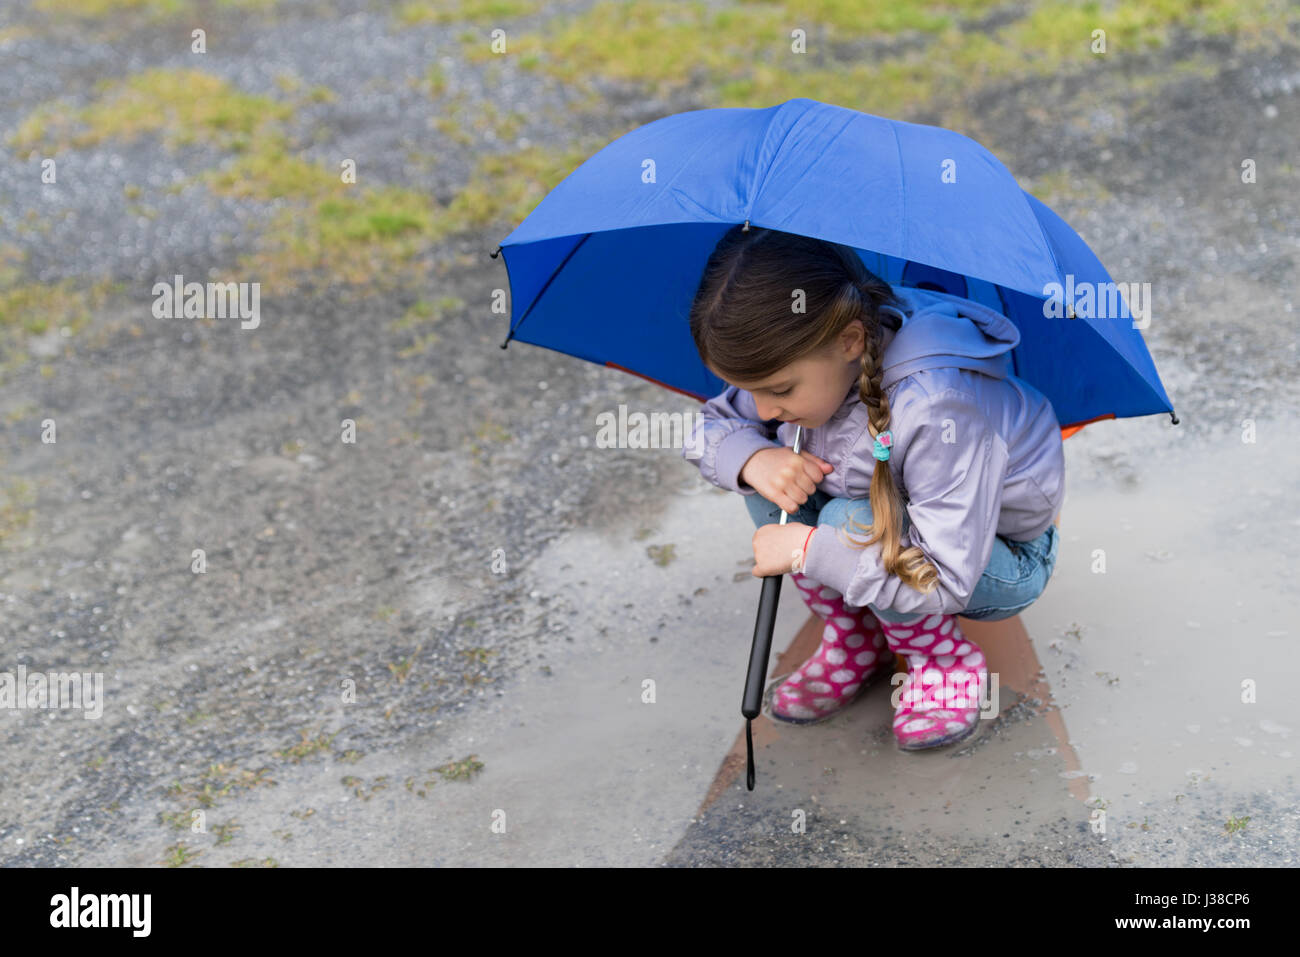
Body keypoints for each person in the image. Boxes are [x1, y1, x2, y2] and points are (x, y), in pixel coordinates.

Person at [682, 225, 1065, 751]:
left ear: (850, 341)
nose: (764, 409)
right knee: (769, 484)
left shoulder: (936, 406)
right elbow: (711, 427)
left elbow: (946, 577)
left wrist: (808, 550)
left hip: (989, 558)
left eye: (778, 391)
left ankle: (942, 665)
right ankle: (854, 637)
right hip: (899, 527)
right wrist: (752, 457)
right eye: (751, 390)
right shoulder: (809, 358)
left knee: (849, 521)